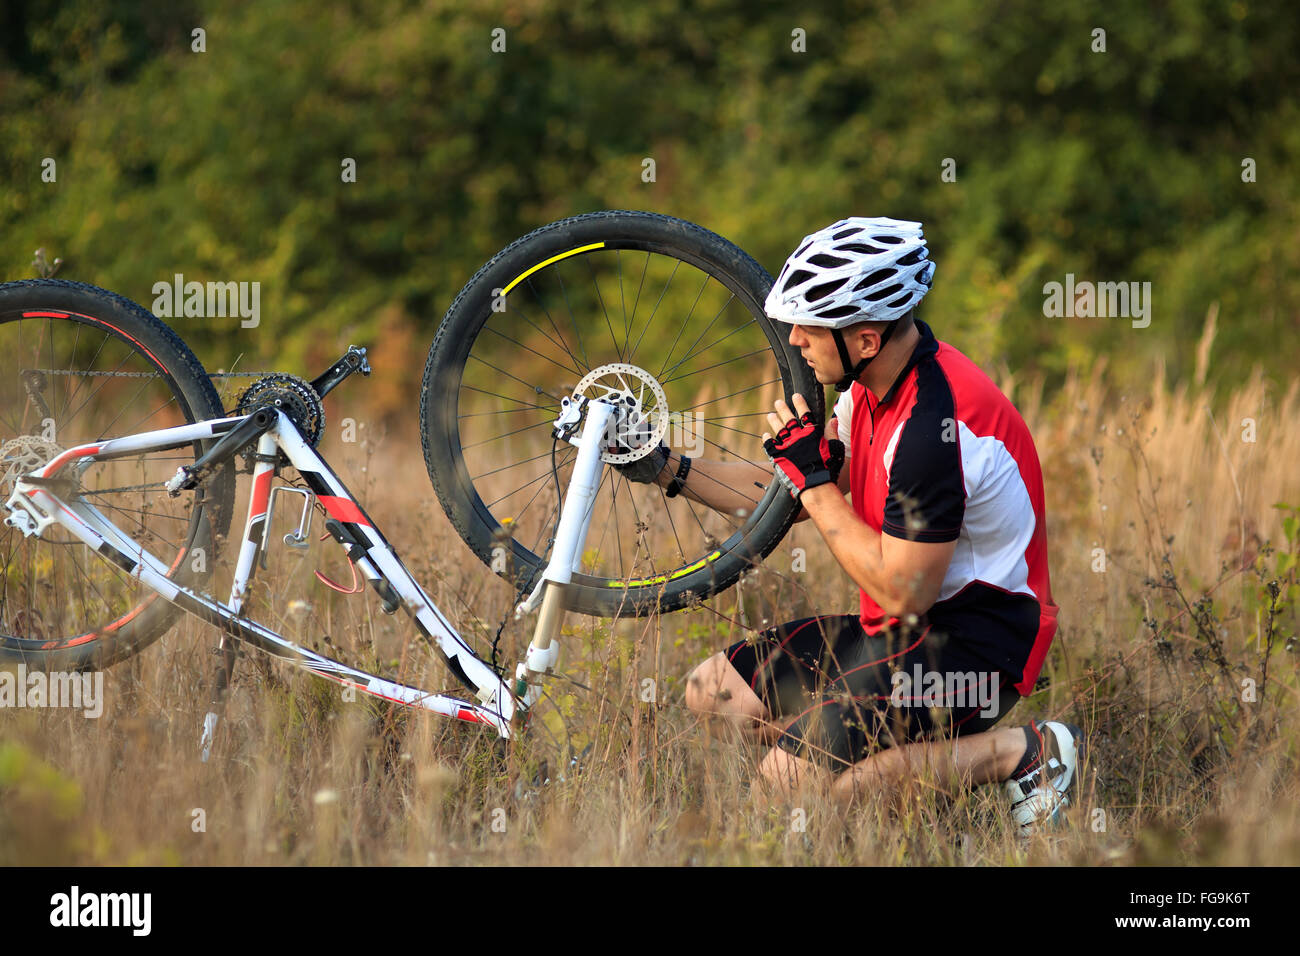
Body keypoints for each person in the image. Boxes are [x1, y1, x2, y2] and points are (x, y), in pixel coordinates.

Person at [617, 217, 1083, 833]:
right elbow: (792, 492)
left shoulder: (932, 430)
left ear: (864, 338)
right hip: (900, 631)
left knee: (794, 795)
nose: (794, 338)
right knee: (713, 692)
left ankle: (1025, 754)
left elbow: (901, 589)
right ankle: (862, 763)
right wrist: (665, 465)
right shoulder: (871, 386)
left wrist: (812, 478)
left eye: (809, 326)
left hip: (976, 645)